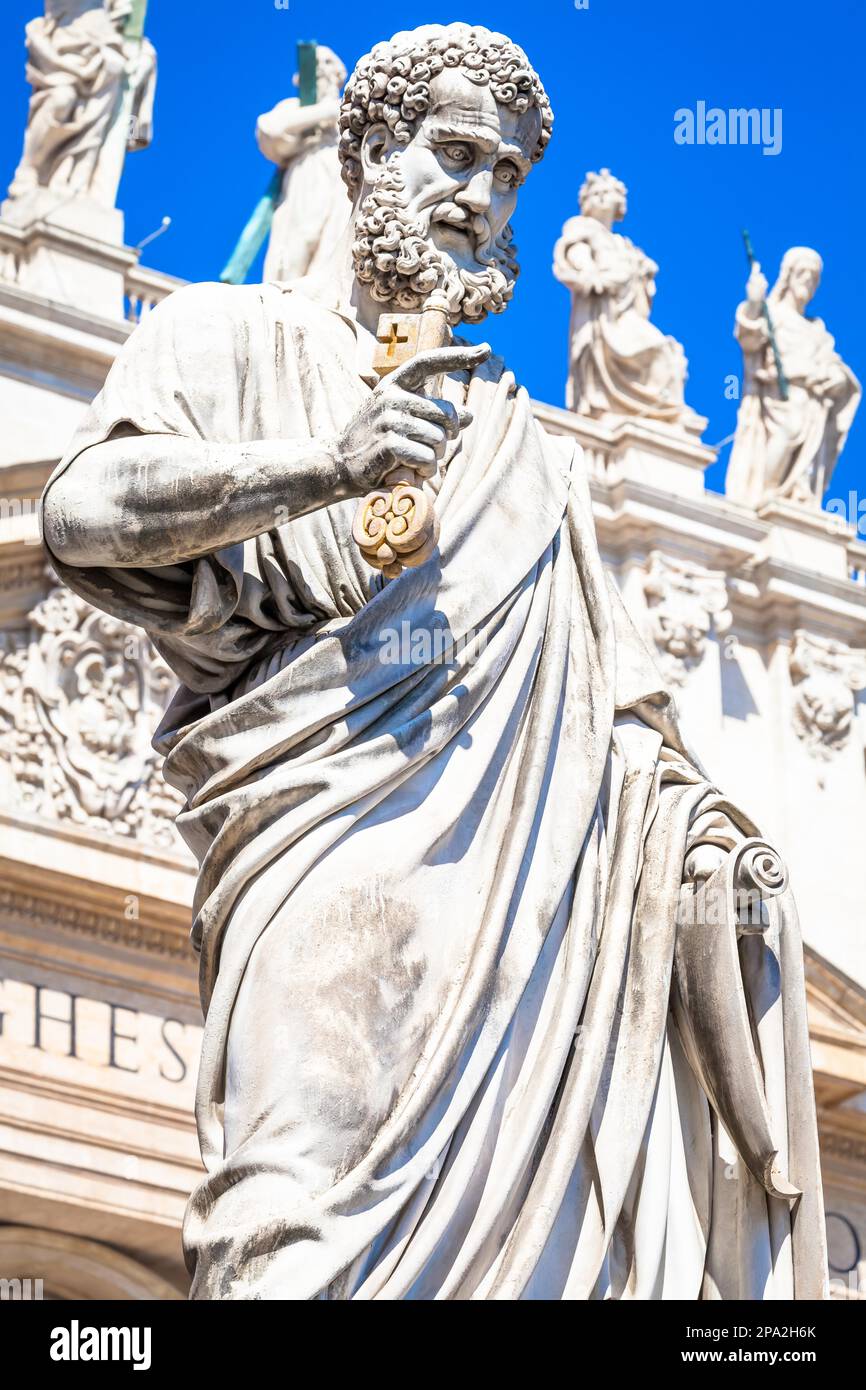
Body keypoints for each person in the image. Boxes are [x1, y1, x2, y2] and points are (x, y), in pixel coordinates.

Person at [41, 23, 823, 1301]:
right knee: (285, 1234)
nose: (479, 191)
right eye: (451, 152)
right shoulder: (226, 336)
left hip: (524, 950)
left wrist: (699, 847)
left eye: (505, 171)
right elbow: (81, 516)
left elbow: (621, 735)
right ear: (363, 158)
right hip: (318, 879)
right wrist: (325, 465)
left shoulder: (530, 452)